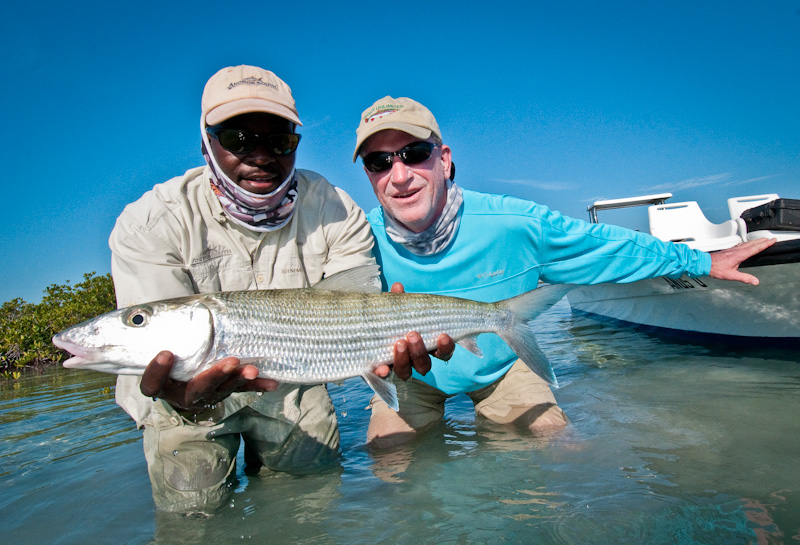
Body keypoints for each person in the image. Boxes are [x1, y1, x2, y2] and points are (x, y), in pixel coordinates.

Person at [109, 67, 447, 512]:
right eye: (237, 139)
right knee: (192, 519)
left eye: (280, 141)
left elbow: (353, 302)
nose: (261, 155)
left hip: (296, 385)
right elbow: (150, 339)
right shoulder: (150, 222)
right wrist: (175, 394)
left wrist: (386, 339)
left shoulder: (336, 210)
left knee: (309, 508)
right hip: (182, 402)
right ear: (206, 142)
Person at [352, 96, 776, 448]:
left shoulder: (514, 223)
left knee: (559, 450)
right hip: (408, 378)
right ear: (369, 176)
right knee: (389, 469)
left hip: (500, 368)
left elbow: (604, 245)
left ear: (444, 160)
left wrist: (702, 261)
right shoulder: (356, 241)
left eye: (415, 154)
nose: (400, 175)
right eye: (379, 162)